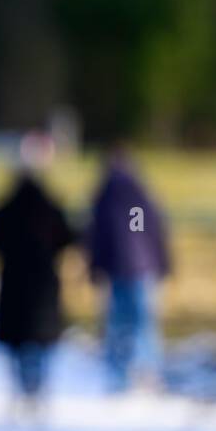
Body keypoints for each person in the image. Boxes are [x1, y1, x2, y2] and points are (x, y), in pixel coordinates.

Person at [0, 133, 77, 419]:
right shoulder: (51, 207)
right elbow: (70, 237)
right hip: (44, 287)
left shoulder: (6, 207)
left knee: (18, 343)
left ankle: (22, 390)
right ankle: (37, 388)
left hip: (13, 285)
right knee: (41, 342)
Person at [86, 143, 171, 392]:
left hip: (116, 270)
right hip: (144, 268)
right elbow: (157, 231)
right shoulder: (143, 192)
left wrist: (94, 268)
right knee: (144, 321)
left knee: (117, 323)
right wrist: (164, 264)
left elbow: (96, 236)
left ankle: (118, 375)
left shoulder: (103, 194)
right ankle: (148, 371)